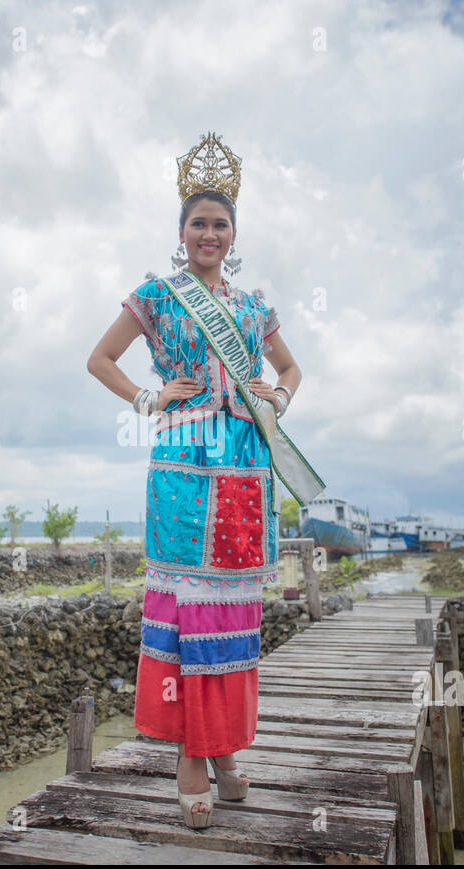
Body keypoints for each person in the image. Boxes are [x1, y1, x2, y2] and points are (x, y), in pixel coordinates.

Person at [86, 132, 318, 829]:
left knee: (234, 613)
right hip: (185, 463)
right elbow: (100, 358)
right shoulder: (157, 295)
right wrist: (147, 398)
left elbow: (293, 371)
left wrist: (275, 397)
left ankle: (223, 752)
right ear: (181, 232)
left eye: (220, 224)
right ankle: (192, 755)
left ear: (234, 233)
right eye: (198, 223)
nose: (209, 233)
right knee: (191, 612)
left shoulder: (252, 308)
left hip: (245, 465)